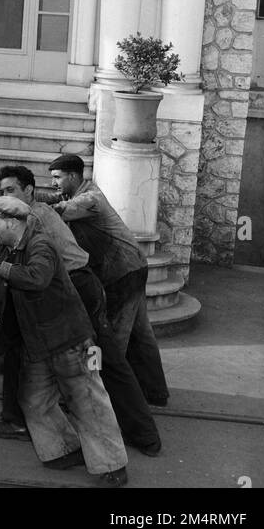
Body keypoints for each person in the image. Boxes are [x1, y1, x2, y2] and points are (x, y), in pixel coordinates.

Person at [0, 165, 162, 456]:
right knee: (28, 352)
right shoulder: (36, 209)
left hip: (77, 287)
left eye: (11, 190)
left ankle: (142, 435)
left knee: (103, 361)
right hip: (73, 284)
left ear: (28, 190)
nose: (6, 197)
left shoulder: (30, 217)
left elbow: (16, 254)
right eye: (2, 192)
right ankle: (18, 419)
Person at [0, 194, 129, 486]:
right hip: (41, 343)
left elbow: (36, 278)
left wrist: (0, 267)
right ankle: (64, 449)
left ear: (13, 223)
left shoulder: (41, 245)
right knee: (33, 399)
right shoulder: (11, 245)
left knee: (88, 401)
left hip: (72, 340)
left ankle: (113, 466)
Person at [38, 153, 170, 408]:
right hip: (131, 268)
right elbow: (53, 199)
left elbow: (57, 211)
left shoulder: (90, 199)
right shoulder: (76, 194)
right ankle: (156, 393)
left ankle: (104, 399)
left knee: (113, 340)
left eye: (57, 177)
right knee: (141, 334)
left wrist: (24, 204)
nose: (53, 183)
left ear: (74, 176)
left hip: (123, 273)